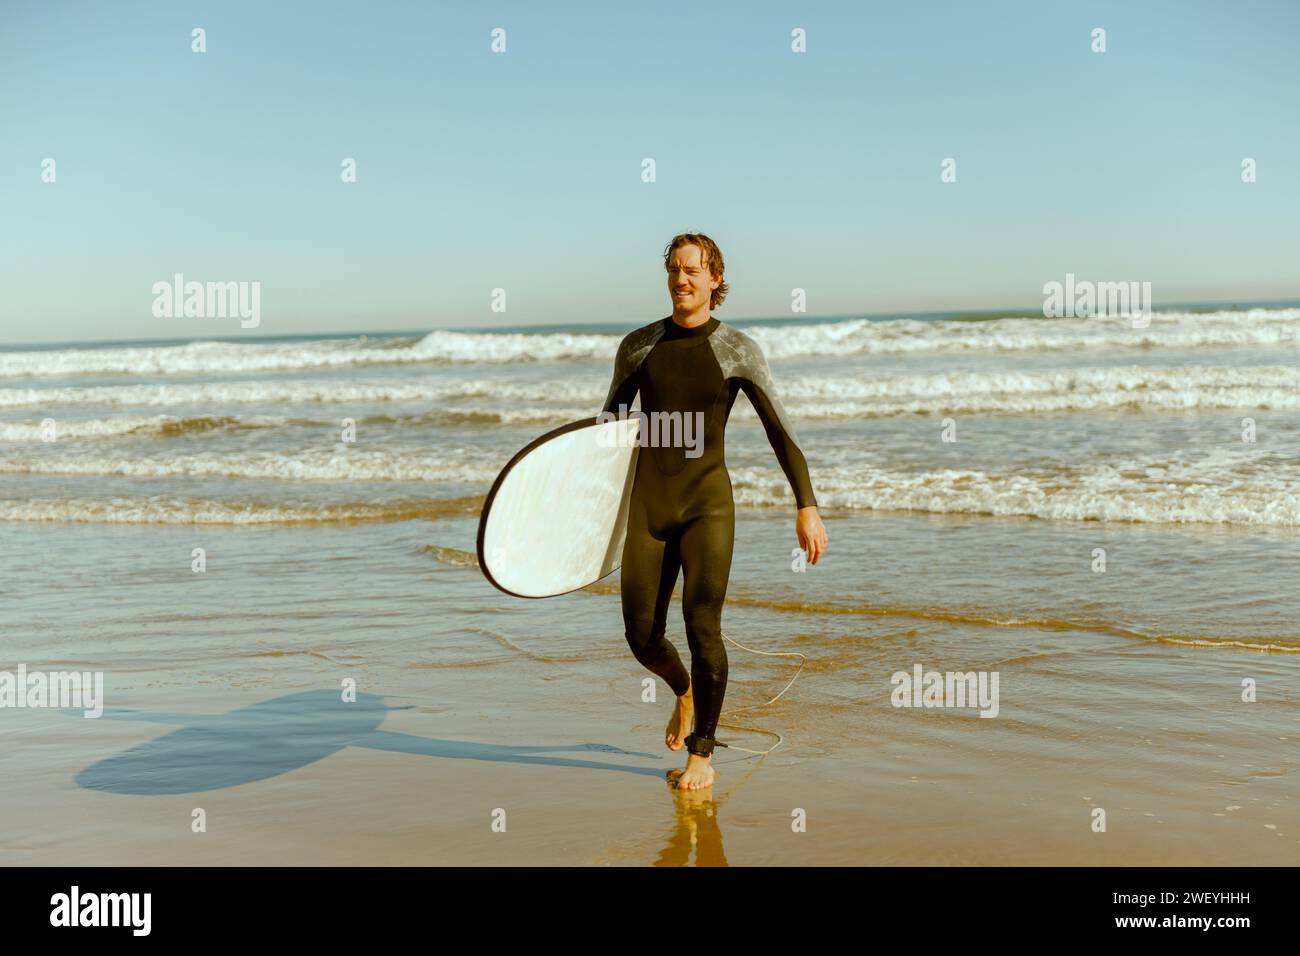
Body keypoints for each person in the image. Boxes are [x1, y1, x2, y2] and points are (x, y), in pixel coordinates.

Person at [601, 233, 828, 790]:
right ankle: (684, 693)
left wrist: (807, 505)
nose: (683, 280)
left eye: (693, 271)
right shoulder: (637, 347)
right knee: (642, 636)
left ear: (715, 280)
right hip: (649, 509)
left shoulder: (737, 350)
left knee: (703, 628)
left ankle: (703, 754)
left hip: (708, 507)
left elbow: (780, 428)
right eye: (675, 270)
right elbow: (606, 430)